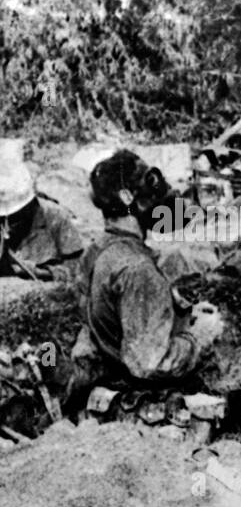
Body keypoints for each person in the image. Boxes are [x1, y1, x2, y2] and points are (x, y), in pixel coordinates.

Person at [67, 150, 225, 415]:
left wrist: (176, 312)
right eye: (149, 185)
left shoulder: (97, 251)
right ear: (127, 197)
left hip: (105, 380)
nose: (159, 195)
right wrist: (197, 338)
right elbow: (150, 363)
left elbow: (112, 315)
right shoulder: (138, 269)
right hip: (136, 398)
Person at [0, 155, 83, 282]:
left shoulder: (56, 218)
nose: (7, 225)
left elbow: (78, 272)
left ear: (29, 204)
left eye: (15, 216)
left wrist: (40, 273)